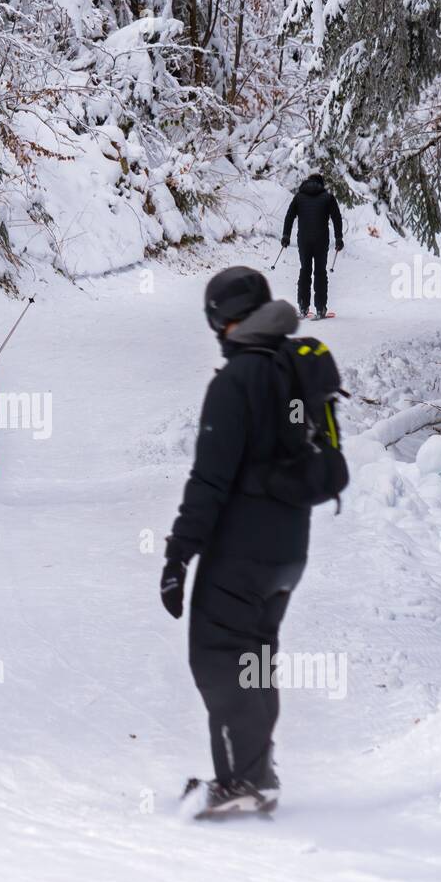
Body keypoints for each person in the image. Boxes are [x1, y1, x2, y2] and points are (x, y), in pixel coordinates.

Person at [160, 267, 310, 816]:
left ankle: (243, 783)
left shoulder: (235, 384)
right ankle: (253, 770)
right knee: (256, 658)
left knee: (220, 658)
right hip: (288, 552)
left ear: (224, 320)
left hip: (241, 552)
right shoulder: (295, 370)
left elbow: (210, 480)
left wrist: (179, 552)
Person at [281, 173, 343, 320]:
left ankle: (303, 307)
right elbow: (336, 218)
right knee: (320, 272)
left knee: (305, 271)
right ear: (321, 184)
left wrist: (286, 236)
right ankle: (320, 308)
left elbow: (289, 216)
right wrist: (339, 237)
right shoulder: (327, 197)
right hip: (321, 240)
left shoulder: (299, 197)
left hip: (304, 240)